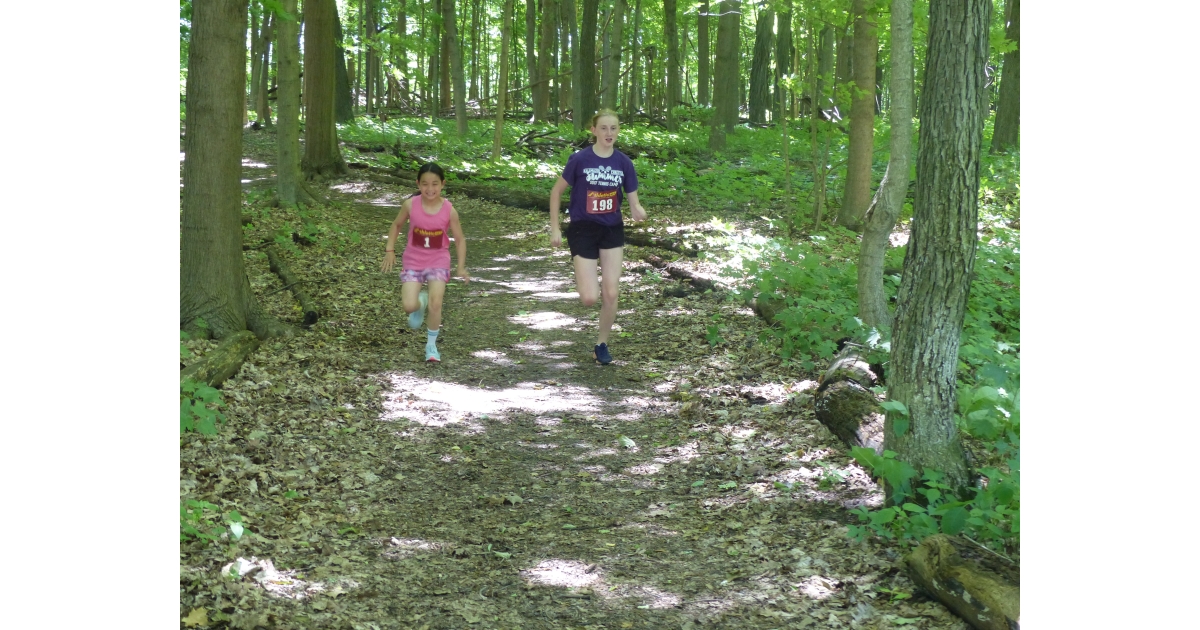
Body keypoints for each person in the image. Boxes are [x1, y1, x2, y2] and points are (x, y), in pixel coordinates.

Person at [549, 109, 647, 365]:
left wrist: (637, 209)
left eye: (613, 128)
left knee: (611, 293)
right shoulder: (580, 159)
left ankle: (601, 345)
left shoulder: (624, 163)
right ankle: (585, 275)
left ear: (618, 131)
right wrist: (555, 227)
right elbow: (556, 192)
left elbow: (633, 200)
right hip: (583, 229)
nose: (609, 133)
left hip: (612, 229)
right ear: (593, 131)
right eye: (603, 128)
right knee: (589, 298)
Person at [380, 163, 469, 362]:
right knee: (408, 306)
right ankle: (420, 304)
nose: (430, 189)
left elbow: (460, 239)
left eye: (435, 184)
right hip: (413, 260)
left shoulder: (449, 210)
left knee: (436, 303)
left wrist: (461, 266)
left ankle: (431, 346)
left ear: (443, 184)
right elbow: (396, 225)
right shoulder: (410, 205)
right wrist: (389, 250)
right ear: (418, 184)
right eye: (425, 184)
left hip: (438, 260)